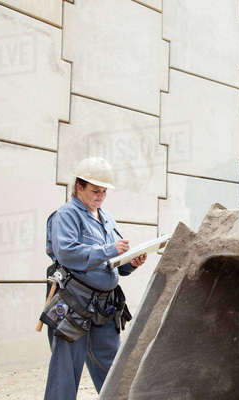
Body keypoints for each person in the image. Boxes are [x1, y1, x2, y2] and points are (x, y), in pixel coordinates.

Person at [42, 157, 147, 400]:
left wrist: (130, 263)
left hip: (104, 307)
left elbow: (114, 265)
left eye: (104, 192)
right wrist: (111, 250)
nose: (100, 196)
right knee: (65, 370)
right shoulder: (65, 216)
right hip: (71, 304)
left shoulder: (107, 218)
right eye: (95, 191)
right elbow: (67, 253)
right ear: (79, 187)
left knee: (113, 367)